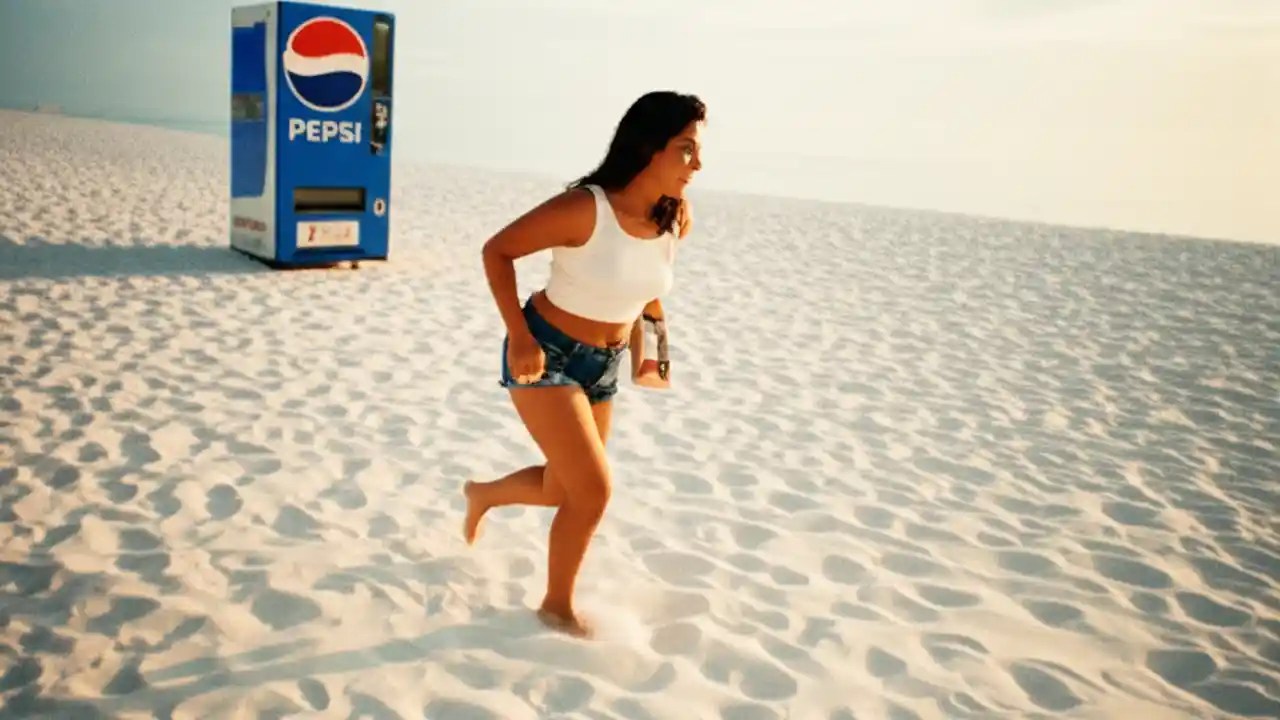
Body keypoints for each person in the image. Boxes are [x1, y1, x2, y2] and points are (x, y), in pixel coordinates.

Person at [465, 90, 706, 638]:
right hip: (545, 355)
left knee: (563, 489)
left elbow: (649, 292)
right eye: (686, 150)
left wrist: (654, 353)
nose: (698, 164)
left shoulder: (674, 219)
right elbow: (496, 251)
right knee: (594, 492)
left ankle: (483, 494)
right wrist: (518, 335)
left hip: (605, 365)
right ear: (649, 147)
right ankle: (555, 606)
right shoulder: (585, 209)